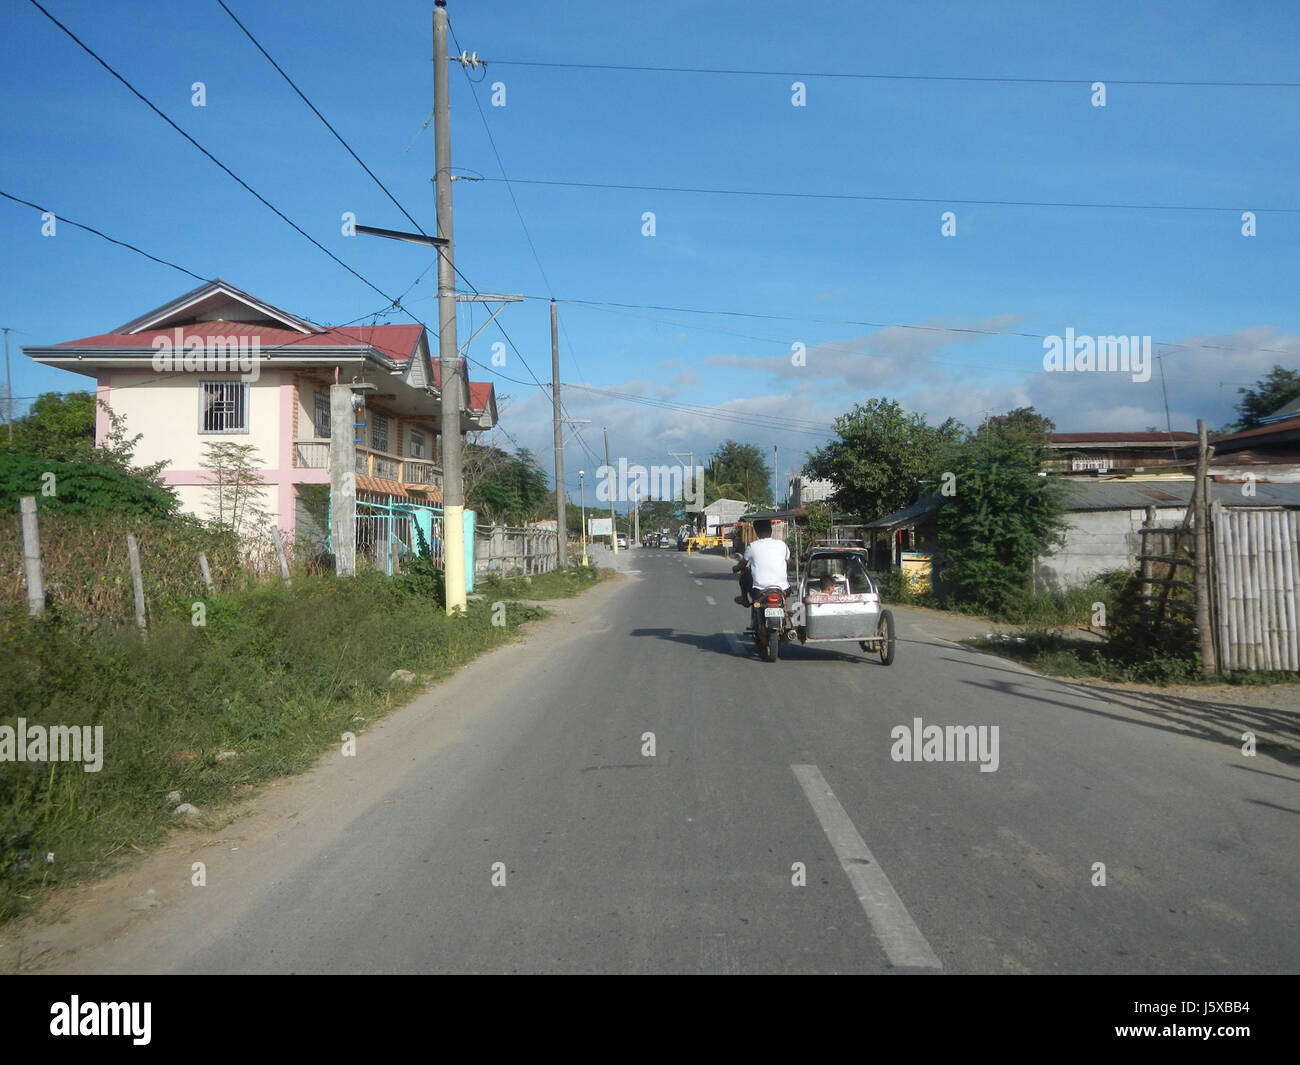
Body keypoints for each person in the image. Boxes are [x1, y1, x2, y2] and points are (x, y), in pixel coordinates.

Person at [733, 519, 790, 606]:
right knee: (786, 597)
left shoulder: (752, 546)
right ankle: (784, 612)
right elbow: (788, 561)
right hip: (783, 589)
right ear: (771, 530)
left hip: (759, 590)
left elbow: (742, 564)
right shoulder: (782, 544)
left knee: (745, 572)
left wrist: (735, 568)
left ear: (756, 532)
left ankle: (744, 599)